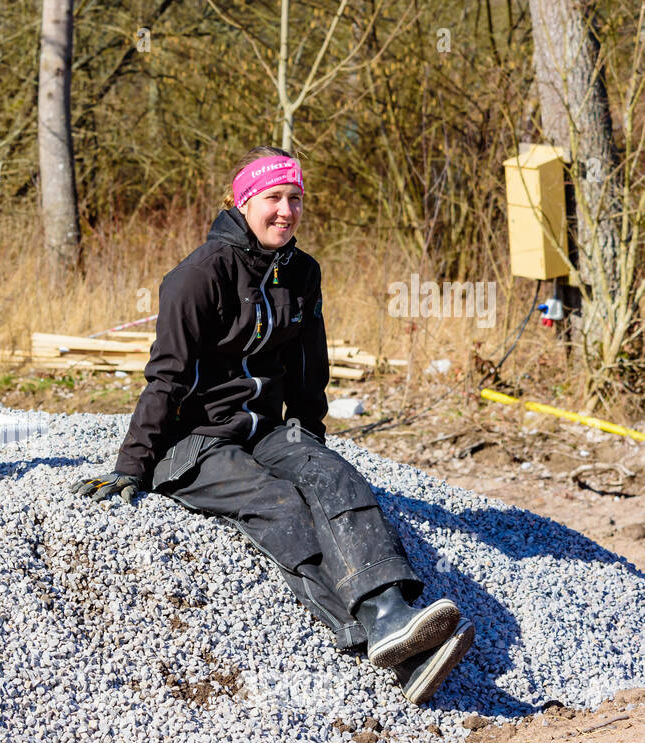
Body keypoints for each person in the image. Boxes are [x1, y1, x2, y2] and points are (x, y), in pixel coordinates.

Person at [71, 146, 473, 705]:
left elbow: (309, 367)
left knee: (333, 478)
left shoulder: (302, 273)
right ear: (243, 203)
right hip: (193, 441)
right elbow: (165, 378)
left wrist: (311, 440)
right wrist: (130, 467)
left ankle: (391, 613)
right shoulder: (198, 276)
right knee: (281, 505)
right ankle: (381, 648)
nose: (286, 210)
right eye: (273, 198)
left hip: (265, 428)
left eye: (295, 199)